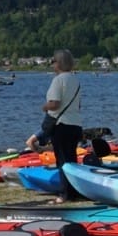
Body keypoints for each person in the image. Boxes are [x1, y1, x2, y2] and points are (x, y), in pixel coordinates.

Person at [41, 48, 83, 204]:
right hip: (75, 124)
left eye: (53, 61)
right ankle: (74, 190)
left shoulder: (58, 80)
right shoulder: (75, 80)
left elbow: (55, 103)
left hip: (61, 124)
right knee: (72, 160)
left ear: (58, 63)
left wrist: (44, 107)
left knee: (63, 161)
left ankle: (65, 194)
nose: (52, 65)